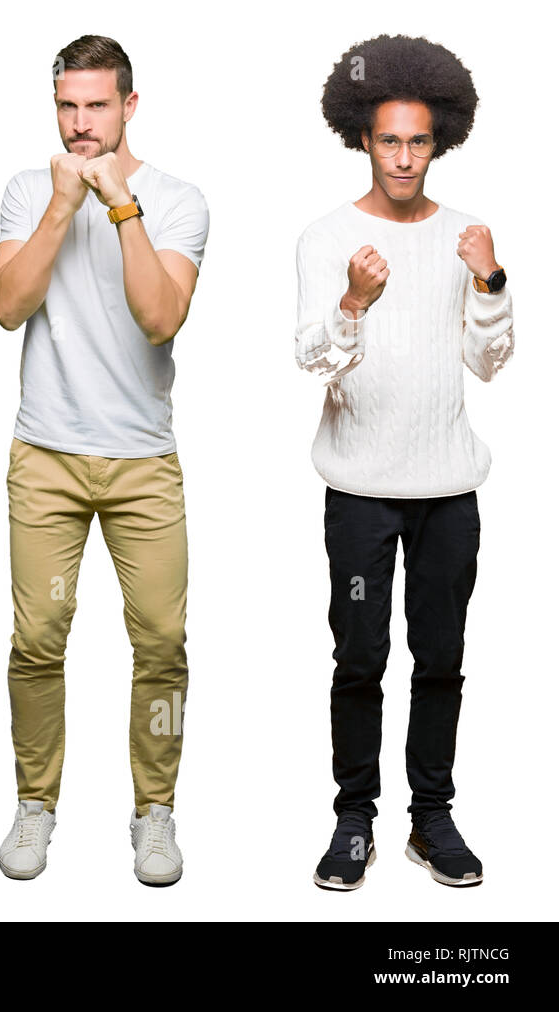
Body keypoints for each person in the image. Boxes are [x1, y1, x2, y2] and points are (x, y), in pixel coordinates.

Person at [0, 35, 208, 884]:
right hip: (45, 454)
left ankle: (154, 812)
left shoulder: (178, 200)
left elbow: (161, 318)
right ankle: (35, 803)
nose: (81, 126)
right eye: (67, 107)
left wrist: (120, 206)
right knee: (38, 638)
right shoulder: (24, 192)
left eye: (97, 107)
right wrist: (59, 207)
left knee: (161, 642)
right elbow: (8, 307)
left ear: (129, 106)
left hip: (142, 462)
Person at [297, 34, 512, 891]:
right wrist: (354, 299)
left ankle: (433, 818)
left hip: (448, 492)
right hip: (359, 491)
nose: (403, 156)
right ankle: (355, 820)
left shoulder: (469, 237)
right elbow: (313, 360)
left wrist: (491, 282)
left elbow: (490, 364)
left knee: (442, 657)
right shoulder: (326, 238)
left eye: (418, 140)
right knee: (358, 656)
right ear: (362, 138)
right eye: (388, 139)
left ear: (440, 141)